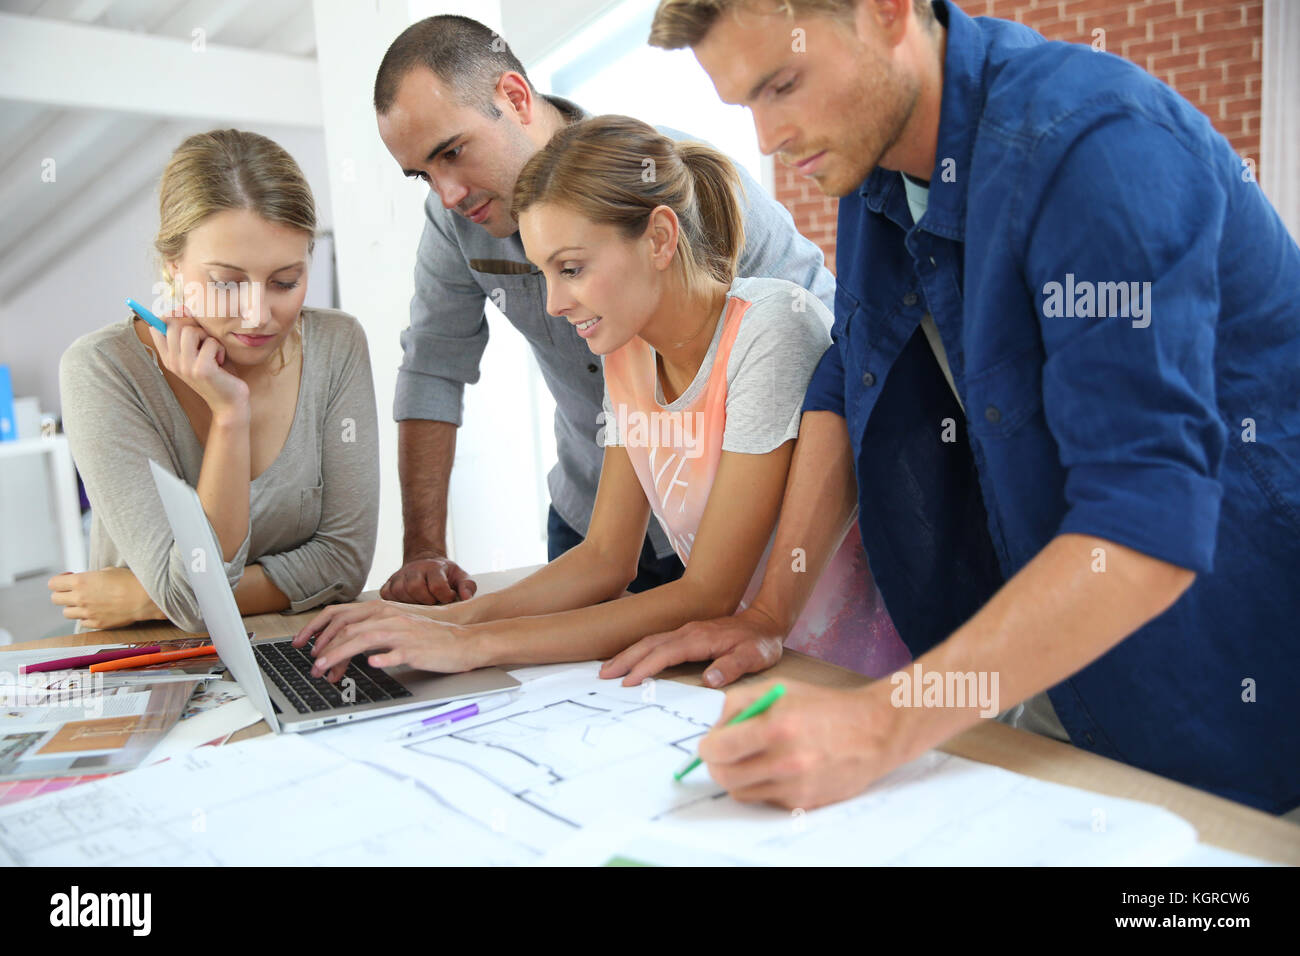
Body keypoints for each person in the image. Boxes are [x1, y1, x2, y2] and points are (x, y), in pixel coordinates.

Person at [635, 0, 1300, 817]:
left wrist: (878, 726)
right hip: (1051, 673)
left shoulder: (1097, 148)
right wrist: (772, 611)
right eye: (746, 104)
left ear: (887, 14)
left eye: (783, 84)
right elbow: (854, 372)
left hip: (1230, 683)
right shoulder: (876, 165)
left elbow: (1145, 520)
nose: (768, 137)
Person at [292, 116, 907, 684]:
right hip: (742, 665)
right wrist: (449, 622)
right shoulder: (629, 352)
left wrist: (474, 646)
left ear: (660, 238)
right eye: (544, 273)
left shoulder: (770, 327)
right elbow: (607, 558)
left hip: (846, 669)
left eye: (573, 268)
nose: (555, 305)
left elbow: (707, 593)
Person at [369, 14, 835, 606]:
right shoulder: (455, 224)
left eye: (453, 153)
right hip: (594, 518)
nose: (449, 194)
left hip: (735, 521)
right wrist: (424, 559)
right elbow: (432, 367)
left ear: (513, 98)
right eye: (423, 175)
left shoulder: (668, 182)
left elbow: (821, 339)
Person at [53, 129, 379, 634]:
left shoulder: (337, 345)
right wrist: (230, 416)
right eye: (226, 283)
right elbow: (190, 596)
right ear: (173, 267)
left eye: (285, 282)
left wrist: (143, 597)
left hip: (299, 655)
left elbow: (344, 563)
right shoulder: (103, 369)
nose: (258, 316)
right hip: (149, 670)